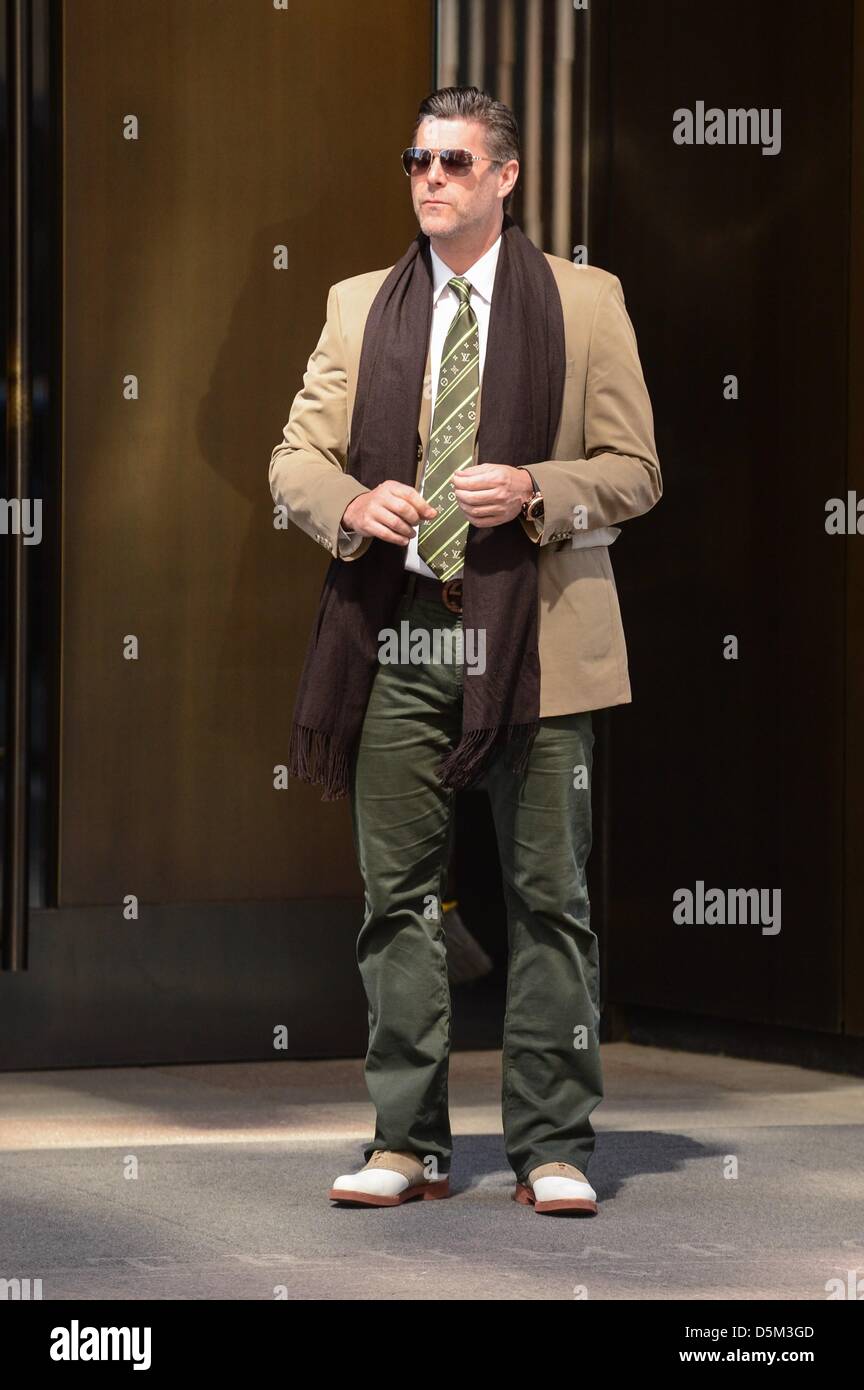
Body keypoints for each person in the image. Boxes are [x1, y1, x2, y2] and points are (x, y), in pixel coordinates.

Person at [268, 86, 662, 1216]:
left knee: (550, 899)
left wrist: (538, 488)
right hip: (400, 633)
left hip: (540, 640)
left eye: (453, 163)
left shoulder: (587, 304)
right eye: (416, 162)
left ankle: (552, 1144)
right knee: (396, 899)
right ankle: (409, 1142)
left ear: (505, 177)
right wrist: (352, 503)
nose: (430, 180)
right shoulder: (359, 306)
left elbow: (636, 470)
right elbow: (294, 457)